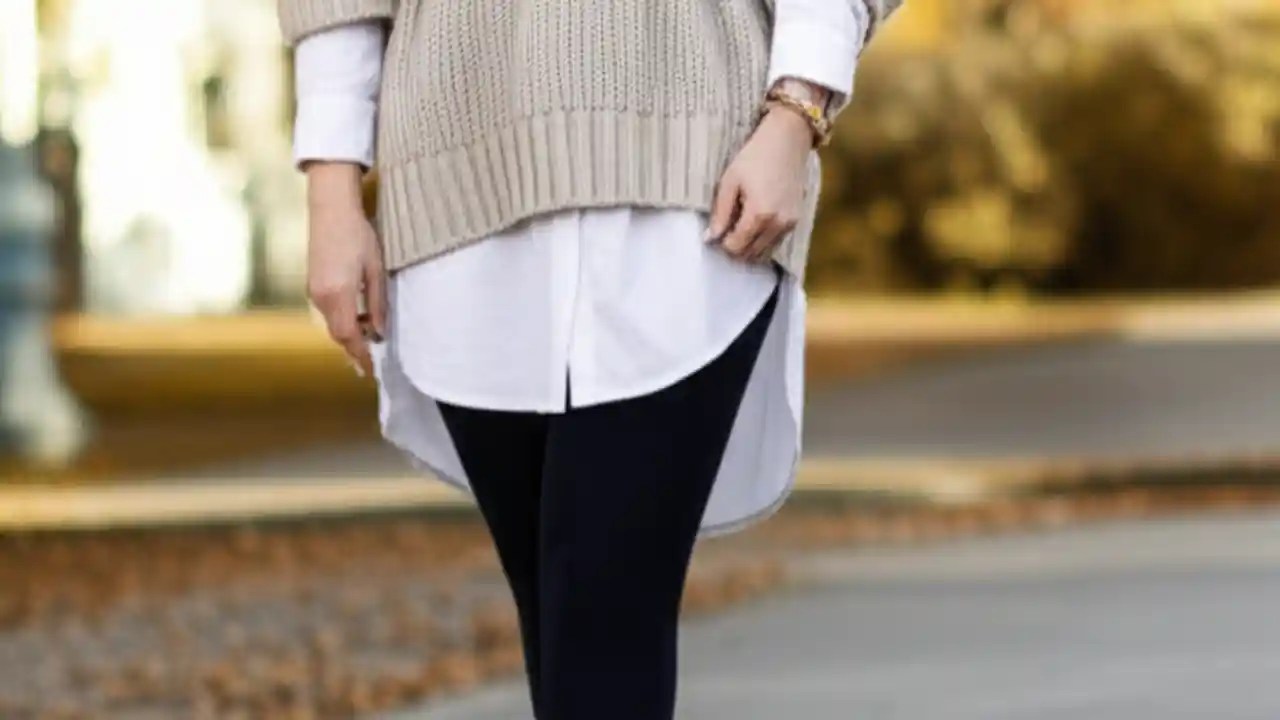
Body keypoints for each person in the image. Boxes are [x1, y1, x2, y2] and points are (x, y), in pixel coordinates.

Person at [279, 1, 902, 717]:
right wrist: (331, 194)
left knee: (603, 630)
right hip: (463, 204)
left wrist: (797, 112)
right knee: (566, 643)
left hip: (694, 195)